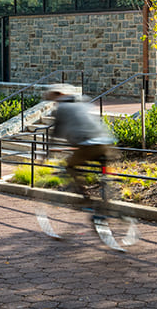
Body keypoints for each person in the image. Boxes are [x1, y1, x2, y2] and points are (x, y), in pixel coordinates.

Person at [45, 84, 117, 215]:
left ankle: (87, 200)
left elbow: (56, 133)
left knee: (69, 166)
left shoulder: (62, 108)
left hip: (88, 144)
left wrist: (49, 152)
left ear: (58, 96)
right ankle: (106, 201)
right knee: (103, 171)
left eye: (53, 99)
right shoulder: (83, 102)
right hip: (106, 142)